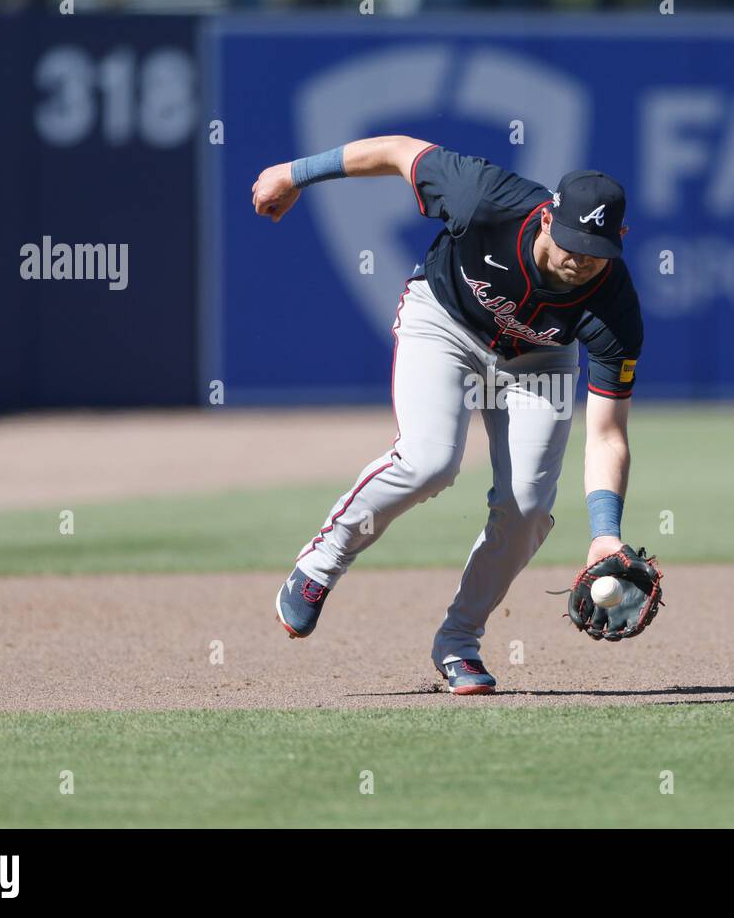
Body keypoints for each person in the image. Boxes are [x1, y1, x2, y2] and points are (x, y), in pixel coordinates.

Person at [251, 136, 644, 694]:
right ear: (550, 218)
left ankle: (459, 640)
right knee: (430, 460)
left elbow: (607, 435)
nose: (580, 260)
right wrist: (294, 173)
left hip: (540, 359)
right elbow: (396, 151)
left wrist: (607, 535)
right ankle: (322, 563)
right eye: (573, 241)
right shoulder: (485, 196)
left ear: (620, 239)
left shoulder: (614, 309)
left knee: (528, 508)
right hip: (444, 321)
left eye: (597, 247)